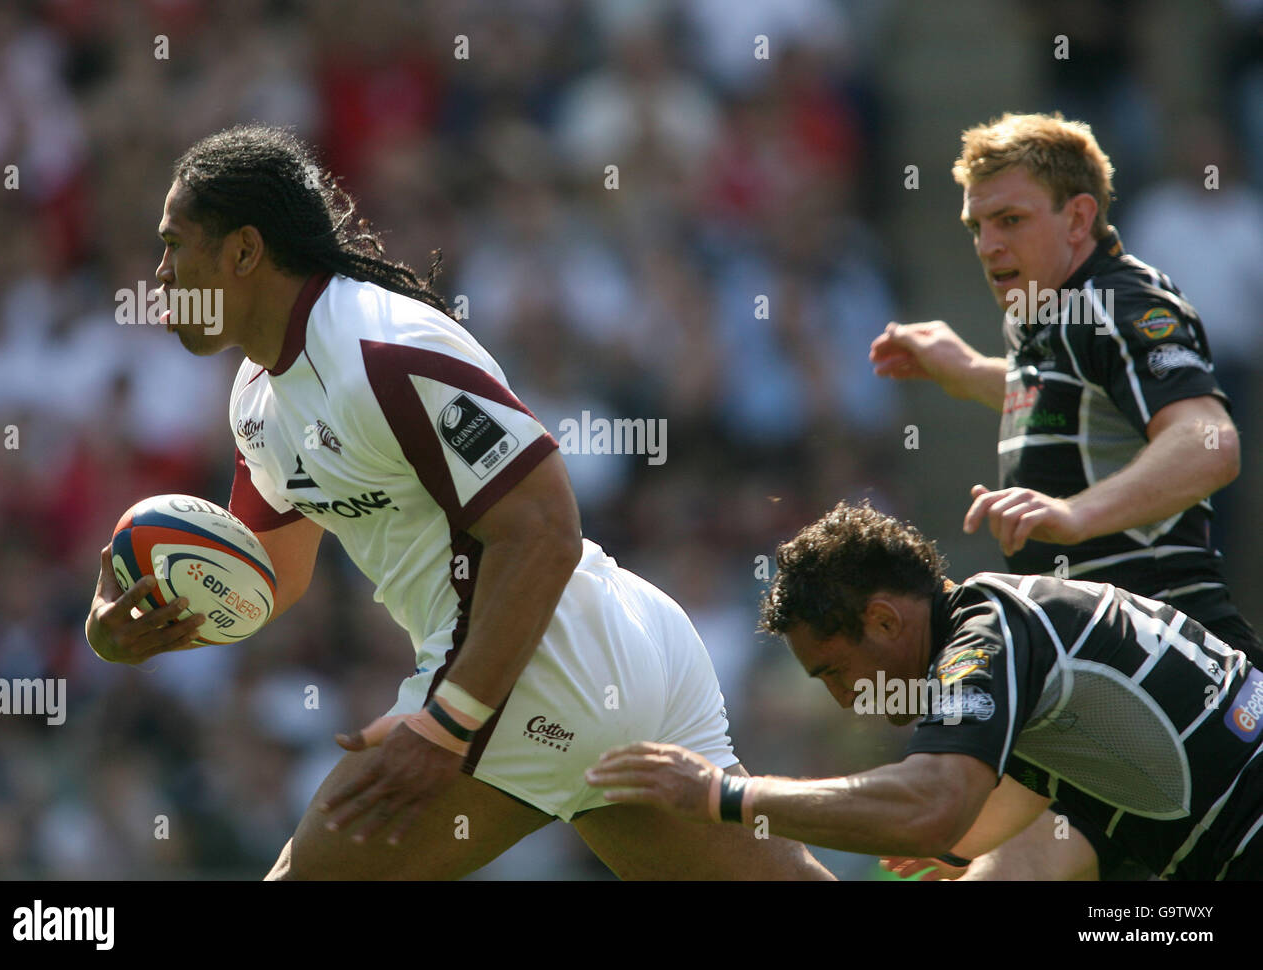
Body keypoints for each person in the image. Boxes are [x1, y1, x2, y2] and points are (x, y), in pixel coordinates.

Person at [83, 125, 831, 881]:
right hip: (617, 648)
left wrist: (446, 726)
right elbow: (268, 574)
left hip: (540, 666)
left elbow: (544, 530)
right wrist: (152, 623)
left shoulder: (381, 349)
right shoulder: (256, 396)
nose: (159, 273)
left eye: (174, 246)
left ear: (243, 251)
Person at [866, 112, 1261, 878]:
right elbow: (1076, 405)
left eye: (1010, 219)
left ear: (1079, 217)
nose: (988, 245)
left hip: (1170, 672)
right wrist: (971, 371)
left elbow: (1211, 441)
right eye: (977, 224)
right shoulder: (1052, 325)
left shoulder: (1121, 303)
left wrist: (1073, 515)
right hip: (1100, 689)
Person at [586, 501, 1263, 881]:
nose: (844, 700)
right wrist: (955, 851)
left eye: (835, 671)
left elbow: (932, 806)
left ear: (885, 620)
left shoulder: (986, 641)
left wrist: (720, 795)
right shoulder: (1014, 635)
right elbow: (1027, 833)